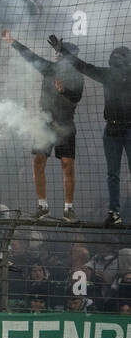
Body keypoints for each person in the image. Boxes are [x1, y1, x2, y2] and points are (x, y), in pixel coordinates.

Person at [1, 30, 83, 221]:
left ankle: (68, 209)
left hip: (65, 125)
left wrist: (64, 91)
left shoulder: (78, 77)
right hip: (45, 123)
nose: (56, 55)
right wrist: (13, 41)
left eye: (60, 53)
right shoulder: (49, 69)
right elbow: (30, 56)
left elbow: (76, 97)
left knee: (67, 165)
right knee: (38, 161)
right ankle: (42, 206)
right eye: (57, 53)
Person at [55, 42, 131, 227]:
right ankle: (114, 212)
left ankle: (114, 213)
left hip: (120, 130)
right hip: (114, 130)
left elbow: (83, 66)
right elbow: (83, 66)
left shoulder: (109, 74)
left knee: (113, 174)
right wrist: (64, 52)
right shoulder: (109, 74)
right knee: (113, 174)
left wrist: (63, 52)